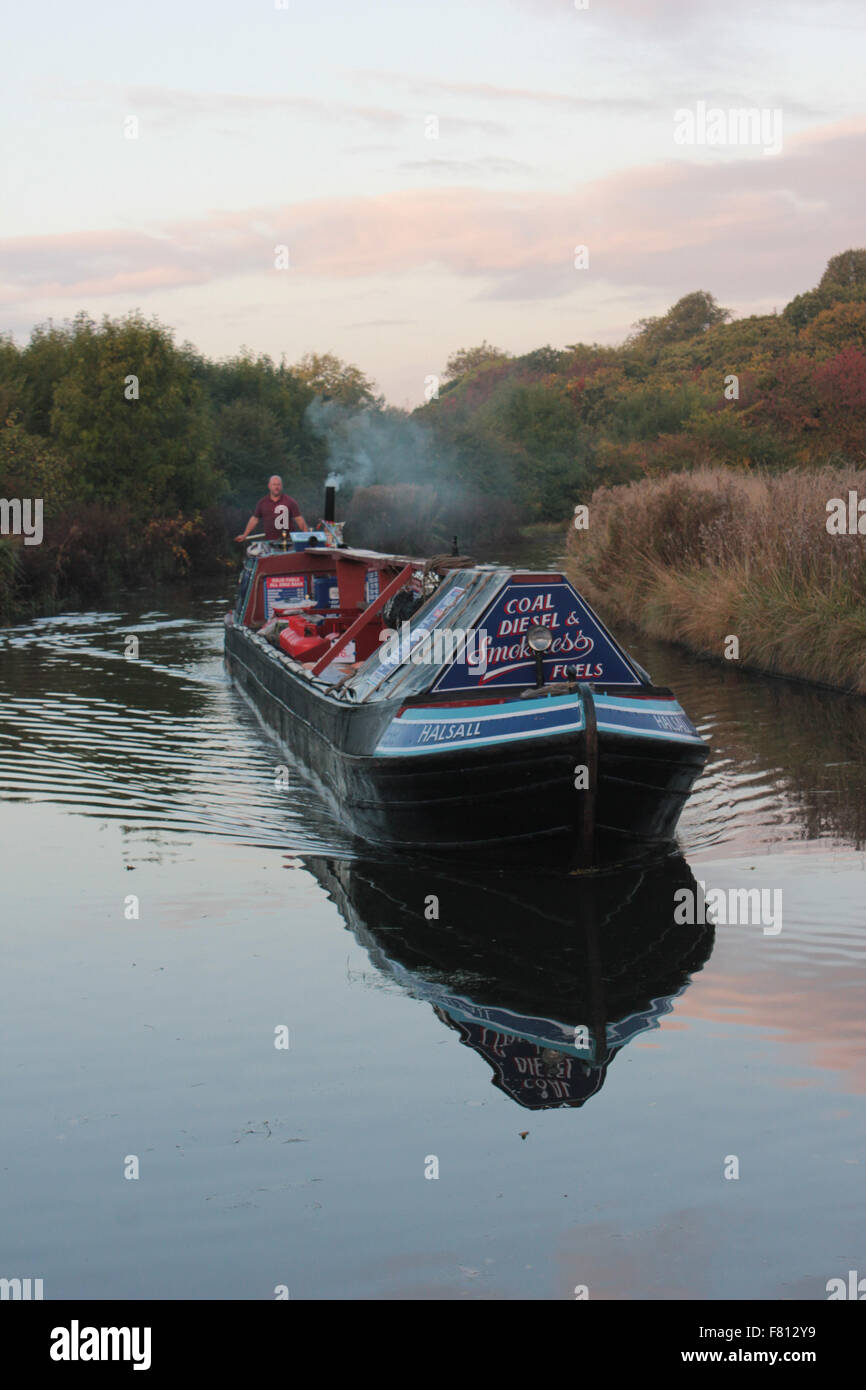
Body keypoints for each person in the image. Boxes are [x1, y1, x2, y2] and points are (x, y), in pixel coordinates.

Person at [235, 476, 307, 543]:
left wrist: (307, 536)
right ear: (269, 486)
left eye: (278, 485)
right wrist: (245, 535)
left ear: (281, 486)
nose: (276, 487)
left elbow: (299, 519)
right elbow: (254, 520)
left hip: (288, 542)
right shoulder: (262, 503)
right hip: (270, 543)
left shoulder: (290, 502)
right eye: (274, 485)